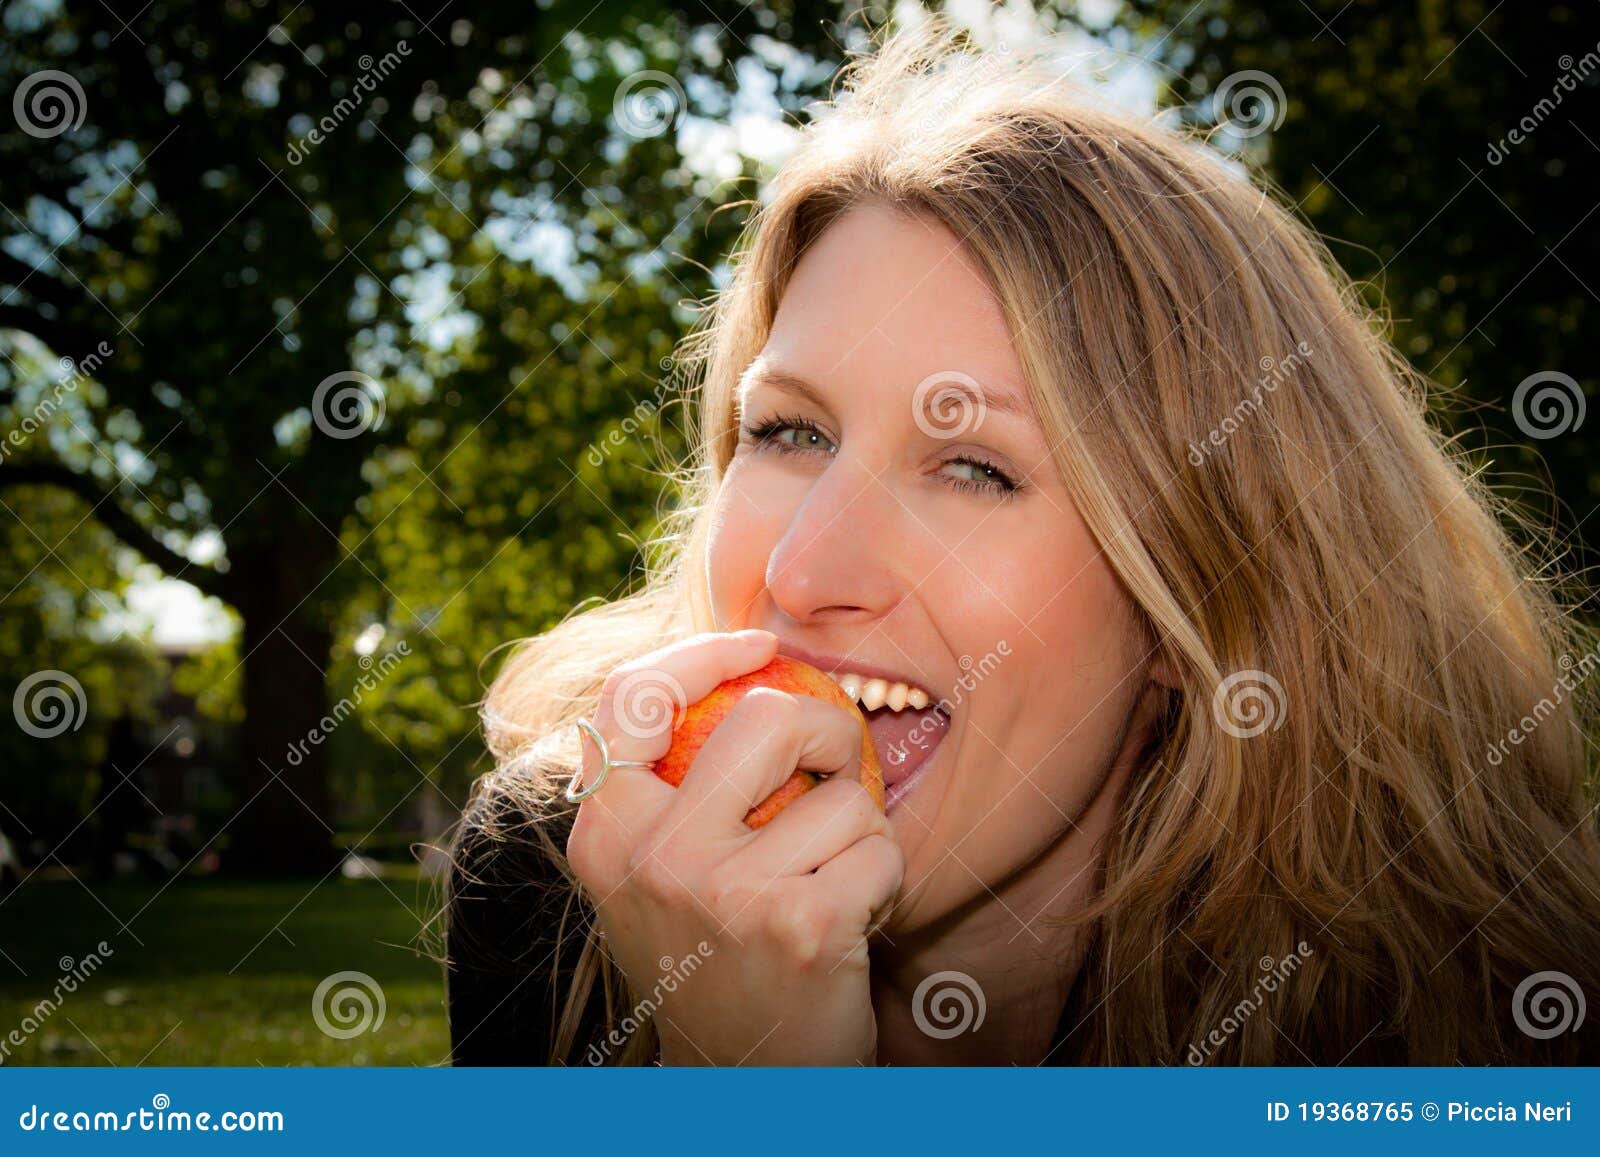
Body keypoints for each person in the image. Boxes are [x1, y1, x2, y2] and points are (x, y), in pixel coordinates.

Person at [444, 22, 1600, 1066]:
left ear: (1187, 597)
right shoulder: (556, 885)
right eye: (790, 431)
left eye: (974, 467)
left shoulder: (1444, 1029)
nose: (800, 572)